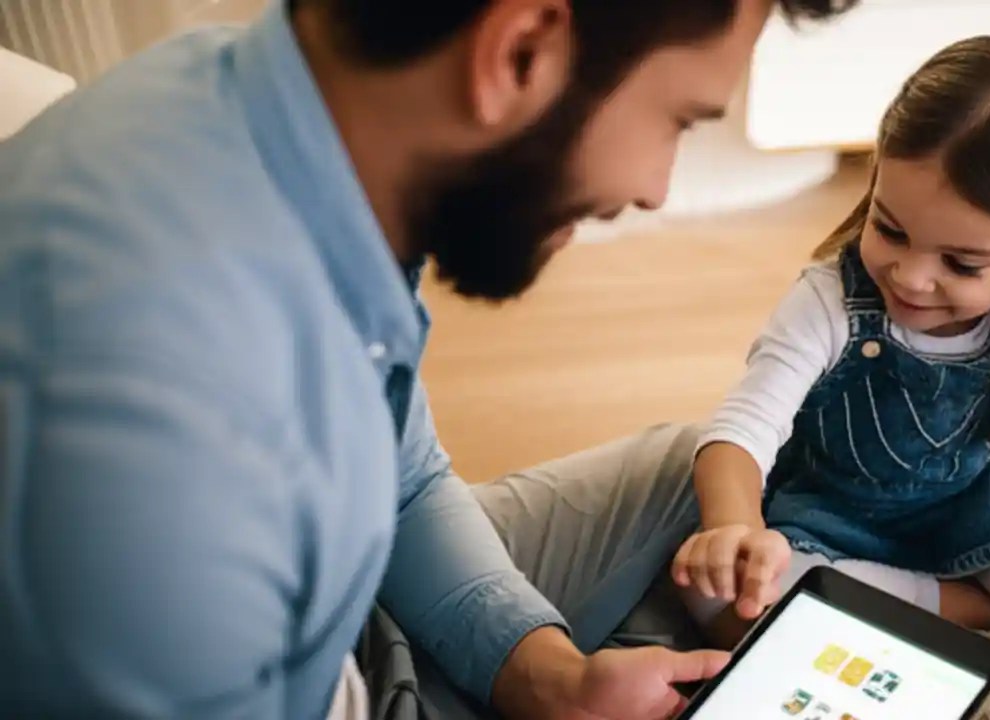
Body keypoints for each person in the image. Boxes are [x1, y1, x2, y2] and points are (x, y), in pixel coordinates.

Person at [0, 0, 861, 717]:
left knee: (701, 474)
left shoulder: (271, 118)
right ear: (518, 49)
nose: (654, 186)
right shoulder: (147, 456)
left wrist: (550, 679)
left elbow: (402, 480)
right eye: (677, 120)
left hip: (352, 621)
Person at [671, 36, 990, 653]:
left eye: (961, 264)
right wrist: (734, 527)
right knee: (719, 596)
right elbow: (741, 430)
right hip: (834, 517)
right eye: (889, 229)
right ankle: (969, 605)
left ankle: (891, 602)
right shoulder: (829, 302)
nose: (909, 277)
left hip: (972, 505)